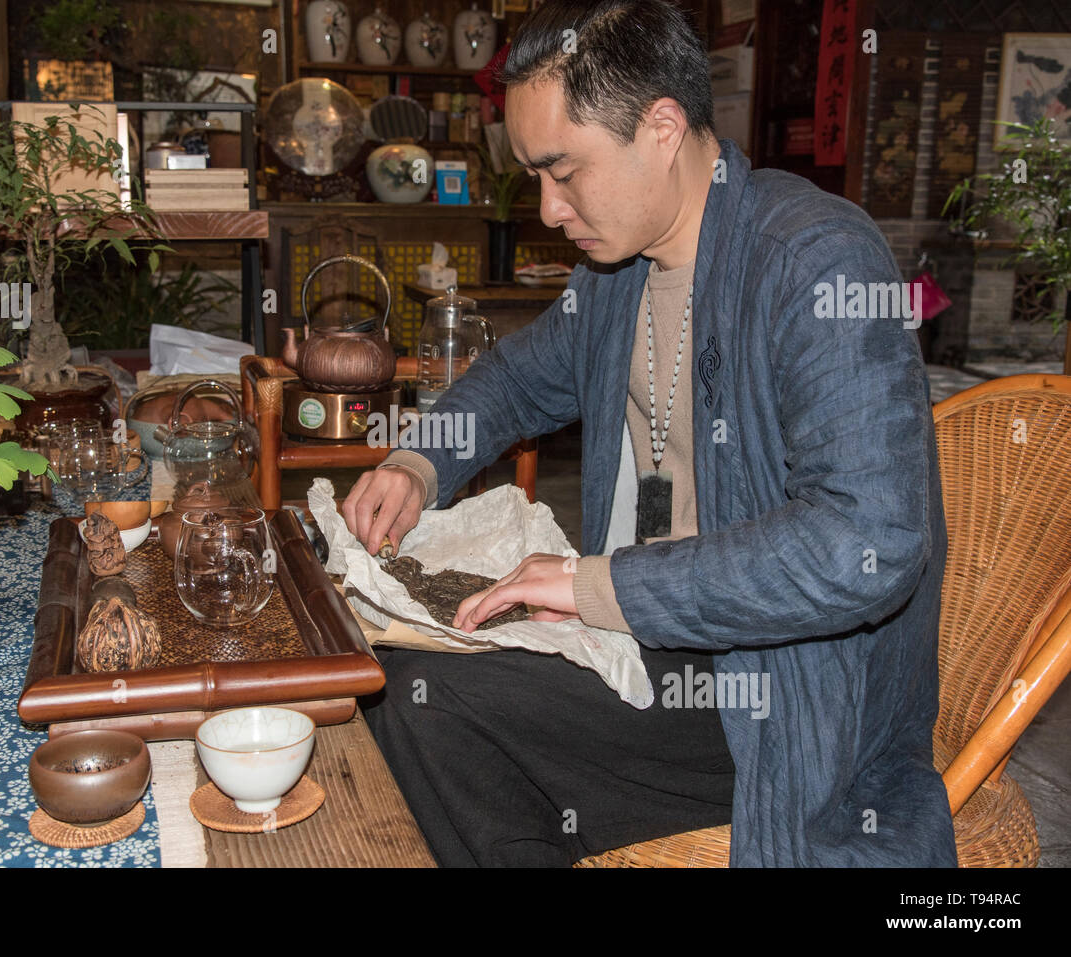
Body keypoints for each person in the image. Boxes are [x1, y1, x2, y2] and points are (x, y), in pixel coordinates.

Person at [343, 0, 956, 867]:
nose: (551, 210)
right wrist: (417, 461)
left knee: (426, 700)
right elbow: (517, 379)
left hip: (783, 703)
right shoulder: (615, 277)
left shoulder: (816, 263)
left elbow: (868, 540)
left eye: (565, 170)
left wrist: (601, 586)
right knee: (396, 682)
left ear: (663, 127)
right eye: (535, 178)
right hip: (659, 654)